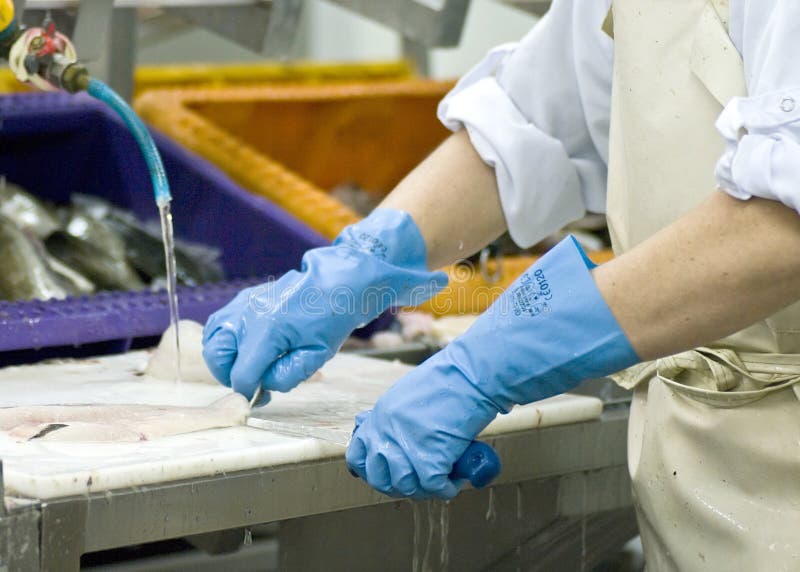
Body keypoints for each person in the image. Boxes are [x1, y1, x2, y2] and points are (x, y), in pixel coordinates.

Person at [202, 0, 800, 568]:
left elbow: (784, 223)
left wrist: (489, 364)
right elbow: (535, 122)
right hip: (699, 454)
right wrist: (361, 264)